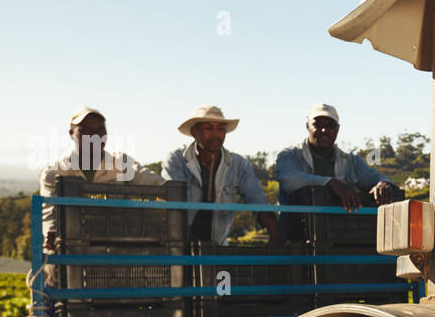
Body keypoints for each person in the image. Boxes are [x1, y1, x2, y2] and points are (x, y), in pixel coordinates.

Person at [38, 107, 162, 250]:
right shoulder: (54, 172)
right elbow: (49, 210)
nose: (95, 136)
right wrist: (52, 233)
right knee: (48, 268)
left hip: (114, 246)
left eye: (100, 131)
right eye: (87, 130)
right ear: (72, 133)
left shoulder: (122, 163)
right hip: (71, 247)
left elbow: (156, 183)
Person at [272, 104, 399, 239]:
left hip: (338, 238)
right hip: (295, 237)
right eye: (318, 124)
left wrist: (383, 183)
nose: (324, 130)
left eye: (331, 126)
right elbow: (289, 180)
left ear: (337, 129)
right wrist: (330, 183)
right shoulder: (289, 156)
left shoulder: (351, 161)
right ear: (307, 126)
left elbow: (374, 177)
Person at [163, 105, 283, 245]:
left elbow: (258, 202)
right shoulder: (176, 160)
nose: (216, 134)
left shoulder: (239, 165)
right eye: (208, 128)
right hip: (178, 246)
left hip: (217, 247)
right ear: (194, 131)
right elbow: (175, 205)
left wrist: (275, 233)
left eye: (221, 129)